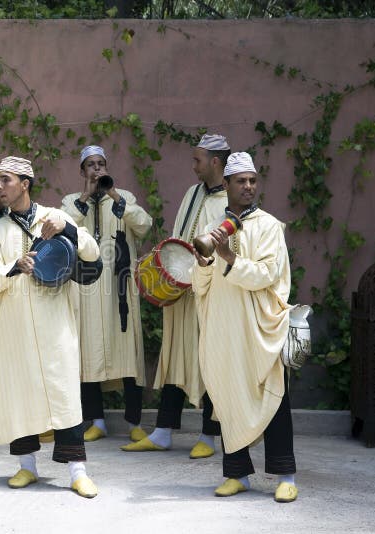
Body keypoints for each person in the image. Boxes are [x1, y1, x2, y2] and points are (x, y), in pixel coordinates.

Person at [0, 156, 101, 498]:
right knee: (20, 391)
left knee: (63, 391)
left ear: (25, 183)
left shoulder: (55, 216)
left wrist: (67, 229)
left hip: (55, 322)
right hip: (14, 324)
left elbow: (92, 253)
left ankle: (78, 471)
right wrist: (14, 266)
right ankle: (27, 467)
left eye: (6, 180)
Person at [191, 152, 298, 503]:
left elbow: (268, 275)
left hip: (258, 326)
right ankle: (237, 474)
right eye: (241, 181)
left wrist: (230, 258)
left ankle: (285, 474)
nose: (249, 187)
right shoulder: (211, 227)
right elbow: (200, 285)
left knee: (273, 396)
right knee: (227, 396)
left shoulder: (269, 225)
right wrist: (205, 263)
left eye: (253, 180)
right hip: (223, 324)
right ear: (227, 185)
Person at [123, 134, 228, 456]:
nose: (193, 165)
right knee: (174, 359)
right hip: (182, 294)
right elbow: (179, 237)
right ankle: (163, 432)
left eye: (197, 160)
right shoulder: (192, 193)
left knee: (210, 362)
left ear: (214, 162)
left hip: (210, 297)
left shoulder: (229, 203)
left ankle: (210, 437)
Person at [61, 145, 153, 443]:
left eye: (101, 164)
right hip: (85, 289)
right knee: (87, 354)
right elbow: (62, 228)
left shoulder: (124, 197)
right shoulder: (71, 202)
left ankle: (134, 423)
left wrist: (114, 195)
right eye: (91, 165)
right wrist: (86, 197)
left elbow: (144, 225)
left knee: (127, 352)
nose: (97, 170)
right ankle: (97, 421)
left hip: (118, 289)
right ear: (82, 171)